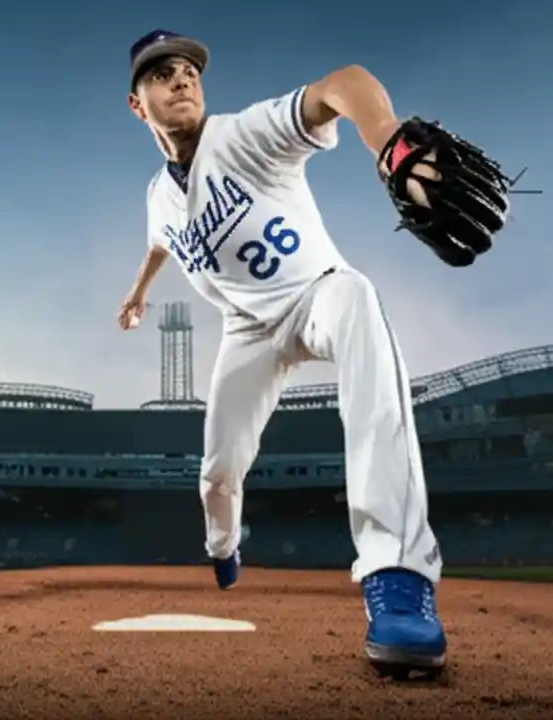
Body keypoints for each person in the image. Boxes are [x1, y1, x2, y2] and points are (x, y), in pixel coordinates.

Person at [117, 30, 445, 671]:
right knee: (216, 472)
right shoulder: (157, 195)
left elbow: (343, 84)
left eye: (188, 70)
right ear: (137, 105)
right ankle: (223, 548)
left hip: (315, 295)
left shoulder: (244, 133)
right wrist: (137, 293)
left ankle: (398, 577)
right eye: (160, 75)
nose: (181, 79)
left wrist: (388, 143)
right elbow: (161, 240)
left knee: (358, 298)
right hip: (245, 331)